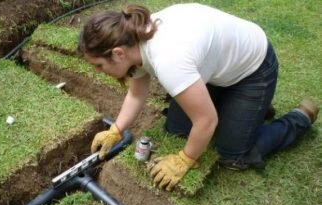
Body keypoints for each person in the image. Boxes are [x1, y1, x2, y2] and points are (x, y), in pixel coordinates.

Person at [78, 3, 319, 191]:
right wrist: (116, 130)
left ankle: (299, 118)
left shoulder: (169, 60)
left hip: (254, 70)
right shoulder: (134, 38)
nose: (100, 72)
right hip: (217, 69)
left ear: (118, 53)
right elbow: (137, 91)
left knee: (233, 154)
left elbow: (206, 121)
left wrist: (185, 159)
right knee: (176, 128)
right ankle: (247, 110)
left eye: (99, 65)